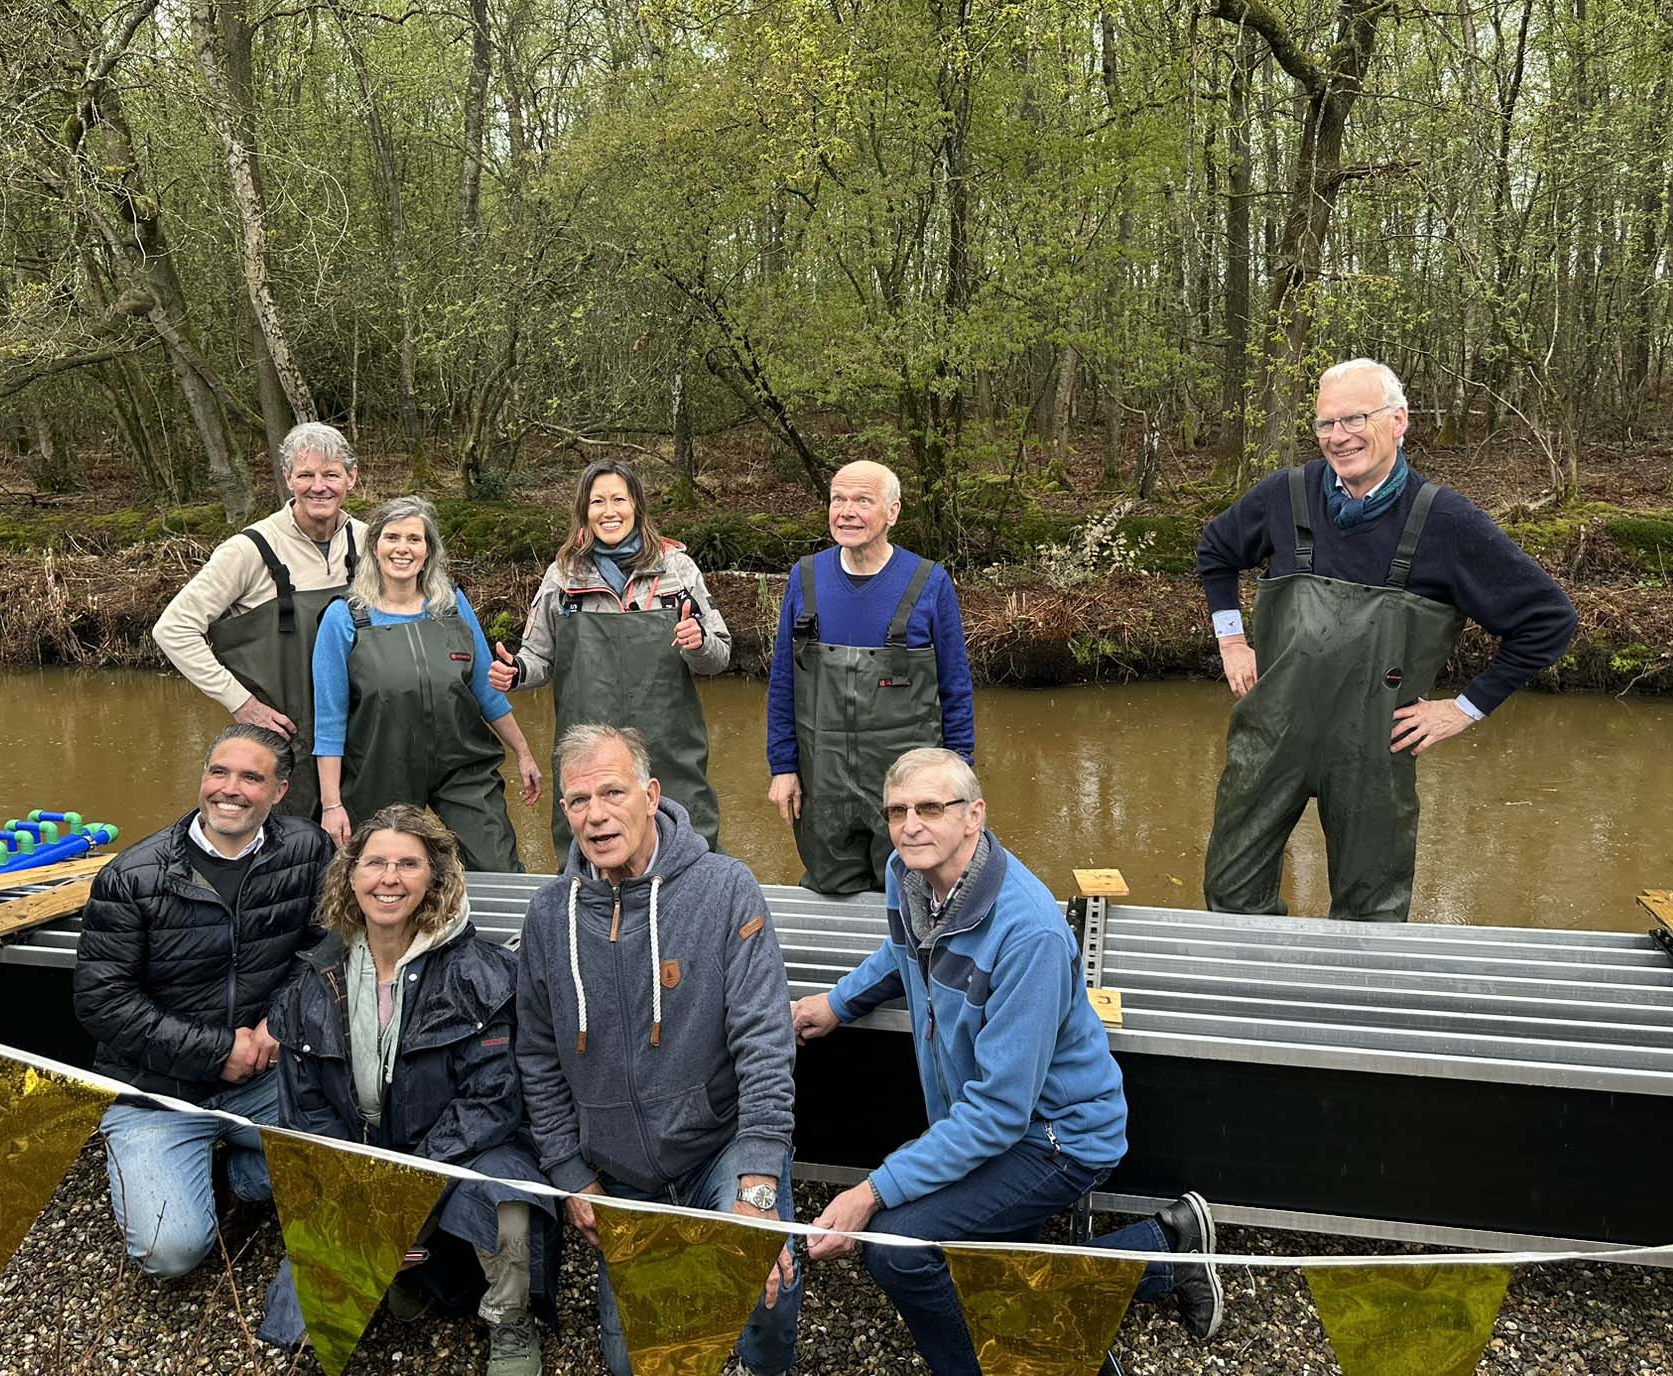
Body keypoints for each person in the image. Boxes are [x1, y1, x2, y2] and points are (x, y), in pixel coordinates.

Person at [790, 749, 1222, 1374]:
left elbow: (997, 1113)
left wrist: (870, 1192)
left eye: (932, 808)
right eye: (898, 810)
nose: (911, 824)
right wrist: (837, 1003)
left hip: (1057, 1137)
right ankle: (1169, 1245)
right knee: (1001, 1277)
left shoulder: (1030, 933)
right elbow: (903, 951)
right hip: (988, 1124)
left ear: (974, 817)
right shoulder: (906, 875)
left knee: (897, 1248)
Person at [1198, 358, 1577, 922]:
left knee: (1371, 914)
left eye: (1356, 418)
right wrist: (1232, 640)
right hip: (1271, 733)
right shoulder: (1287, 495)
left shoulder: (1446, 522)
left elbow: (1549, 619)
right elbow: (1216, 550)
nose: (1339, 436)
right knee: (1230, 895)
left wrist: (1465, 709)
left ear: (1400, 421)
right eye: (1326, 423)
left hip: (1374, 748)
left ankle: (1353, 1004)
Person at [514, 724, 800, 1376]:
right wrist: (570, 1174)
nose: (596, 814)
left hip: (716, 1149)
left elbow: (764, 1040)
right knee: (630, 1363)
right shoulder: (546, 916)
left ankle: (765, 1365)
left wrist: (756, 1181)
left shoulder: (725, 888)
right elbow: (536, 1056)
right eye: (577, 801)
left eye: (612, 792)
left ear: (650, 794)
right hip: (620, 1176)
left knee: (768, 1286)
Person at [260, 803, 553, 1375]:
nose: (388, 878)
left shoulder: (485, 974)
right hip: (363, 1154)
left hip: (463, 1152)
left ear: (436, 878)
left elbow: (491, 1101)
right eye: (374, 863)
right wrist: (354, 1181)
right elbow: (304, 1106)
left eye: (408, 864)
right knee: (300, 1332)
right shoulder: (310, 981)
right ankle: (415, 1277)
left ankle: (510, 1322)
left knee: (510, 1200)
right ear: (351, 875)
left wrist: (407, 1185)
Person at [73, 724, 330, 1277]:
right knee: (171, 1252)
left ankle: (241, 1177)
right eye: (218, 772)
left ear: (279, 792)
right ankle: (180, 1168)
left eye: (251, 777)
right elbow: (101, 1001)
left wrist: (277, 1023)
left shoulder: (308, 848)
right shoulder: (131, 877)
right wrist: (218, 1052)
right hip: (155, 1095)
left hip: (268, 1077)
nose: (229, 789)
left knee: (363, 1150)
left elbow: (324, 949)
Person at [488, 460, 731, 861]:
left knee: (688, 856)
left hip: (671, 753)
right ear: (584, 510)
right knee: (589, 857)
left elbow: (718, 657)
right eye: (598, 501)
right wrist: (515, 673)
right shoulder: (562, 575)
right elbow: (537, 658)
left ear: (636, 504)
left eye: (619, 499)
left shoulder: (678, 569)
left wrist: (697, 643)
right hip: (587, 755)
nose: (609, 510)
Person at [766, 460, 974, 895]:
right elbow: (784, 683)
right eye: (838, 499)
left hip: (908, 791)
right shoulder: (804, 578)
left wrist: (960, 781)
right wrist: (783, 766)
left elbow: (956, 691)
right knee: (829, 895)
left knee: (915, 895)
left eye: (862, 500)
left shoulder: (929, 583)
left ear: (892, 512)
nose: (846, 512)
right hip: (822, 788)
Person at [310, 495, 542, 872]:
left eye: (414, 539)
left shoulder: (452, 606)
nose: (403, 548)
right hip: (380, 772)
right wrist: (332, 803)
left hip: (462, 766)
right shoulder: (345, 618)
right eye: (392, 537)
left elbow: (485, 691)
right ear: (374, 547)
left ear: (428, 550)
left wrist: (524, 752)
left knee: (497, 866)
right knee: (384, 877)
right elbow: (330, 720)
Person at [152, 422, 368, 820]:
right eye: (305, 475)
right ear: (287, 479)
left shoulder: (372, 544)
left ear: (351, 478)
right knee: (286, 858)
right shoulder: (248, 550)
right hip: (283, 743)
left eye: (331, 475)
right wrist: (242, 703)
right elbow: (173, 629)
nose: (318, 487)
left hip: (357, 740)